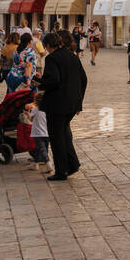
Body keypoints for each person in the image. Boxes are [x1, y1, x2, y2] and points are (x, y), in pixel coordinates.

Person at [38, 30, 88, 180]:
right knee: (65, 134)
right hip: (72, 105)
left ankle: (61, 171)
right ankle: (72, 164)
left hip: (57, 105)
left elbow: (53, 80)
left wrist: (40, 82)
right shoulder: (72, 56)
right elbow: (83, 79)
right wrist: (79, 102)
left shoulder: (52, 58)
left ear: (47, 45)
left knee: (57, 137)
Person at [27, 91, 51, 171]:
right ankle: (36, 163)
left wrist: (28, 114)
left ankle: (48, 163)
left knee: (41, 149)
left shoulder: (35, 110)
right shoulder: (48, 110)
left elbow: (31, 120)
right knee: (43, 149)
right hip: (47, 133)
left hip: (38, 134)